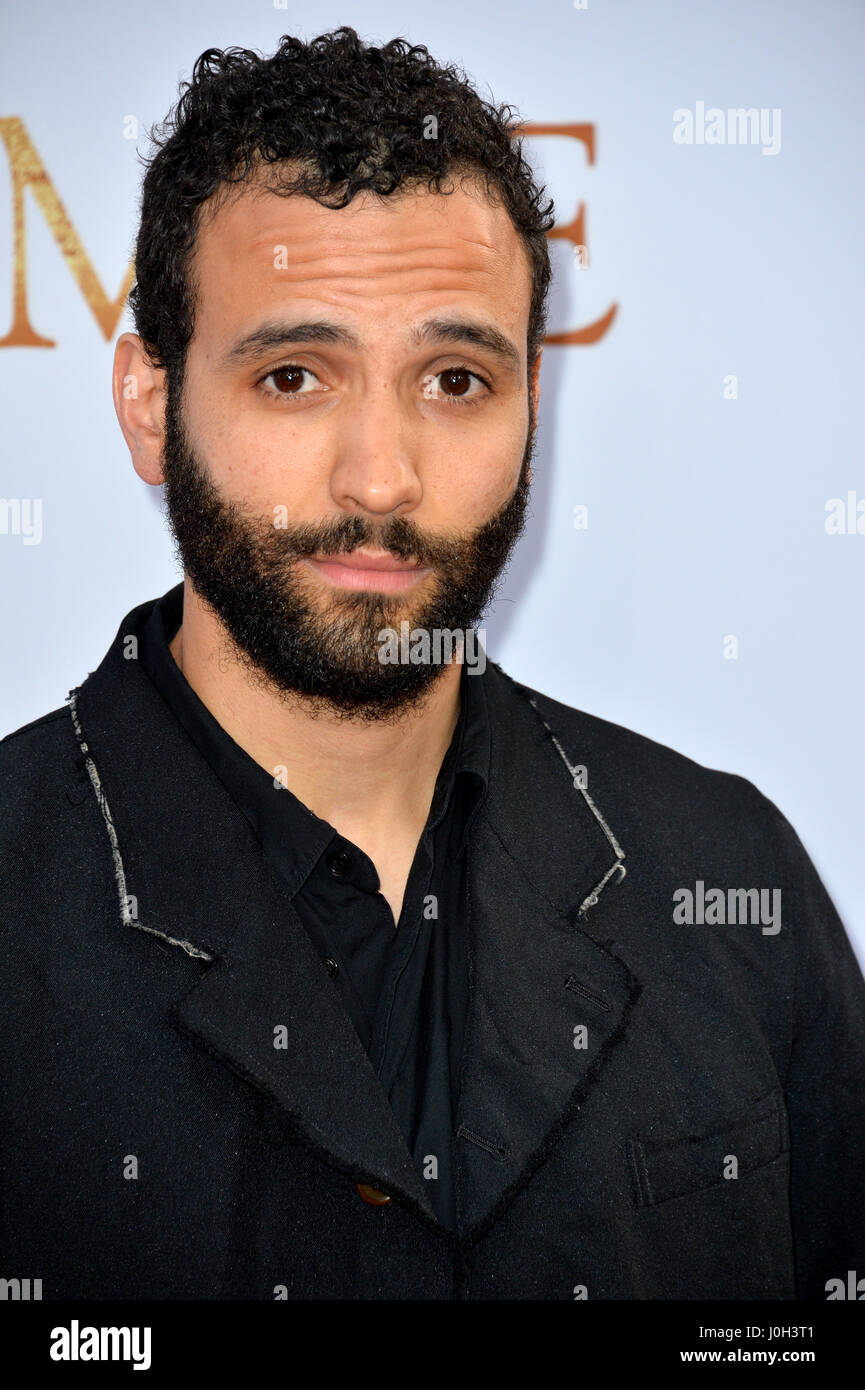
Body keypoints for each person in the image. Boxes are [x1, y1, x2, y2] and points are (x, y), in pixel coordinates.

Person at [1, 27, 862, 1301]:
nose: (382, 478)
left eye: (455, 380)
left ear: (529, 407)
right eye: (294, 375)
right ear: (148, 399)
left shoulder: (725, 874)